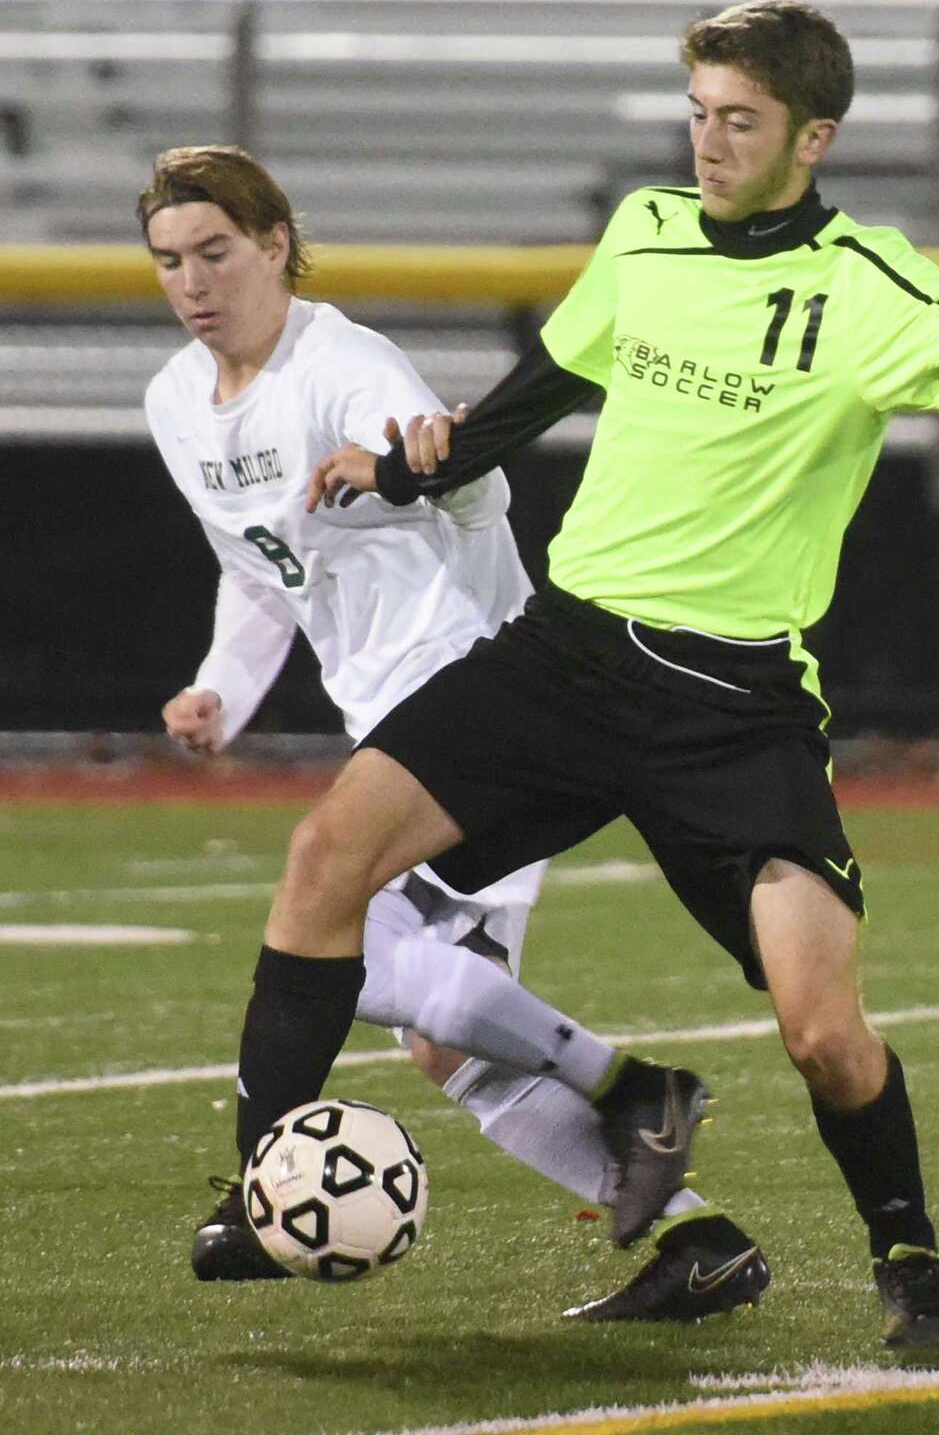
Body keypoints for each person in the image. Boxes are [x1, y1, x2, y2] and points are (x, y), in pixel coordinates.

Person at [307, 0, 939, 1348]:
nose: (708, 140)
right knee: (324, 865)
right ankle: (264, 1171)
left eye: (739, 120)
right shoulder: (643, 235)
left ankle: (908, 1251)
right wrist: (414, 465)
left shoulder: (865, 279)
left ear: (812, 137)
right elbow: (535, 394)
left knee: (822, 1032)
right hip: (567, 662)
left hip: (733, 708)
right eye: (698, 112)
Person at [138, 145, 769, 1319]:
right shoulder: (177, 399)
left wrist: (434, 467)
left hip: (483, 703)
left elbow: (467, 480)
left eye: (215, 251)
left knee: (338, 940)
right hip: (391, 719)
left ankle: (627, 1091)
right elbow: (266, 572)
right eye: (170, 259)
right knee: (441, 1039)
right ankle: (699, 1239)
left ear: (275, 243)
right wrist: (221, 685)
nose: (192, 281)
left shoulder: (343, 364)